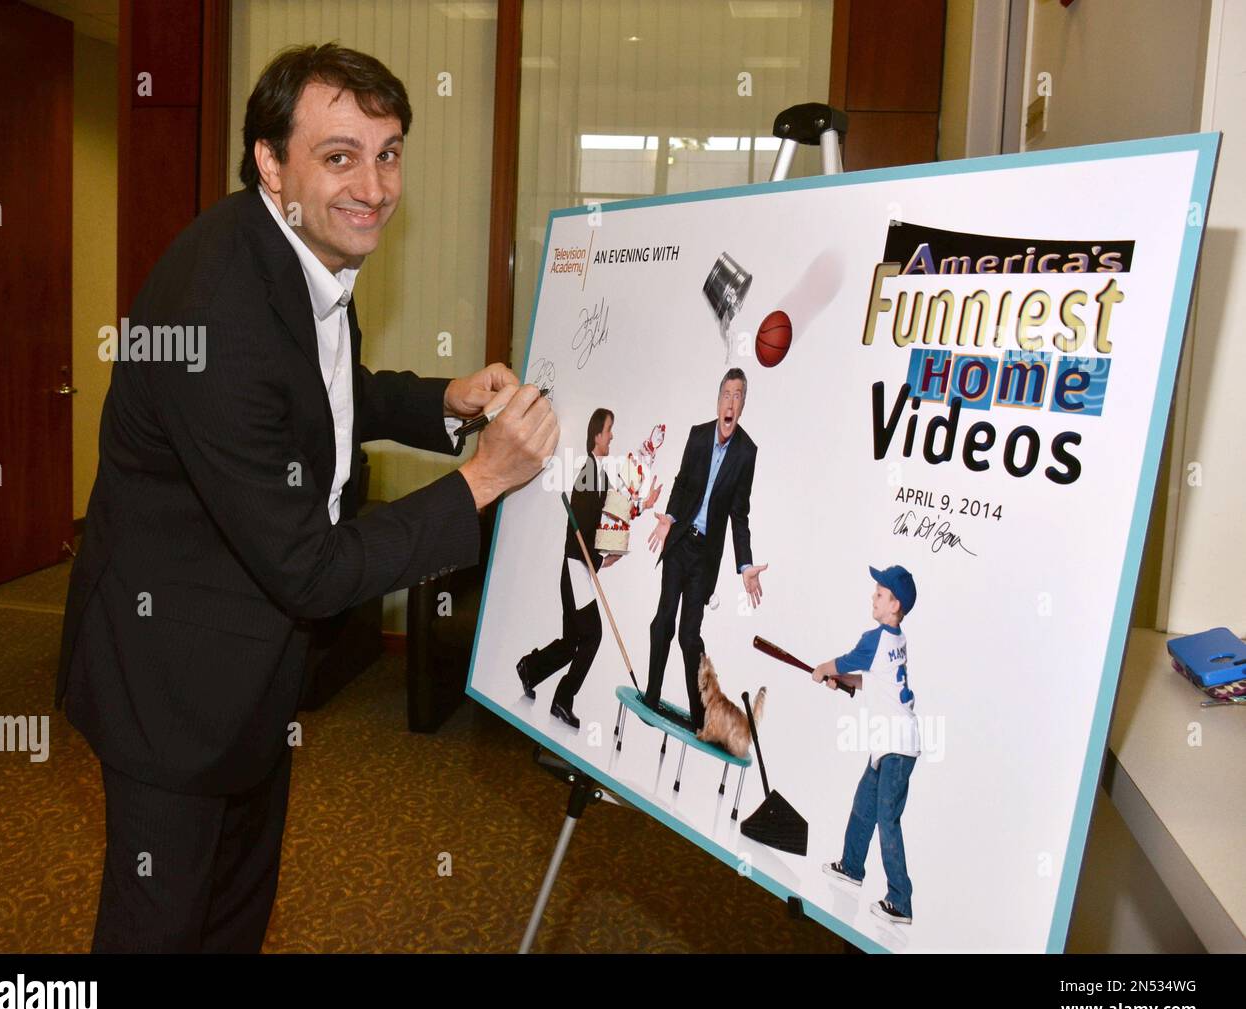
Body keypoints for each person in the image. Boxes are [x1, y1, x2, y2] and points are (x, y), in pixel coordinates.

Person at [54, 44, 558, 953]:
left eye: (390, 151)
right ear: (271, 162)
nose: (374, 185)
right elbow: (312, 570)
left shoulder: (295, 248)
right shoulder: (219, 305)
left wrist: (440, 401)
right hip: (168, 684)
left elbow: (323, 393)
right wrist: (482, 480)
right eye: (339, 156)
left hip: (250, 666)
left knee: (235, 917)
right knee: (159, 931)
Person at [516, 409, 659, 728]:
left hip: (580, 567)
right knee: (592, 635)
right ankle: (562, 700)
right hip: (576, 567)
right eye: (609, 430)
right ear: (597, 435)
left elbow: (612, 512)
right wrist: (598, 561)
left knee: (571, 642)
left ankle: (531, 667)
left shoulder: (600, 475)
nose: (612, 436)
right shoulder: (588, 473)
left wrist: (643, 505)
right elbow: (578, 529)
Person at [644, 369, 767, 730]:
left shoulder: (746, 453)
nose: (731, 403)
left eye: (738, 396)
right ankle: (651, 695)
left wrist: (745, 565)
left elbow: (739, 514)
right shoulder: (698, 436)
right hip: (680, 543)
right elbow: (682, 483)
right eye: (726, 395)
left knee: (689, 635)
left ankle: (701, 717)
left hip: (704, 559)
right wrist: (668, 517)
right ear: (718, 401)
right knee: (663, 619)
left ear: (743, 405)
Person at [814, 565, 920, 926]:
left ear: (895, 605)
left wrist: (823, 669)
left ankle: (900, 900)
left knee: (887, 819)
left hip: (897, 745)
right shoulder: (896, 640)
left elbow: (842, 662)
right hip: (890, 744)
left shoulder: (875, 639)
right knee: (864, 806)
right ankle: (852, 866)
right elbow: (869, 681)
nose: (873, 598)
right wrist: (840, 680)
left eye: (880, 594)